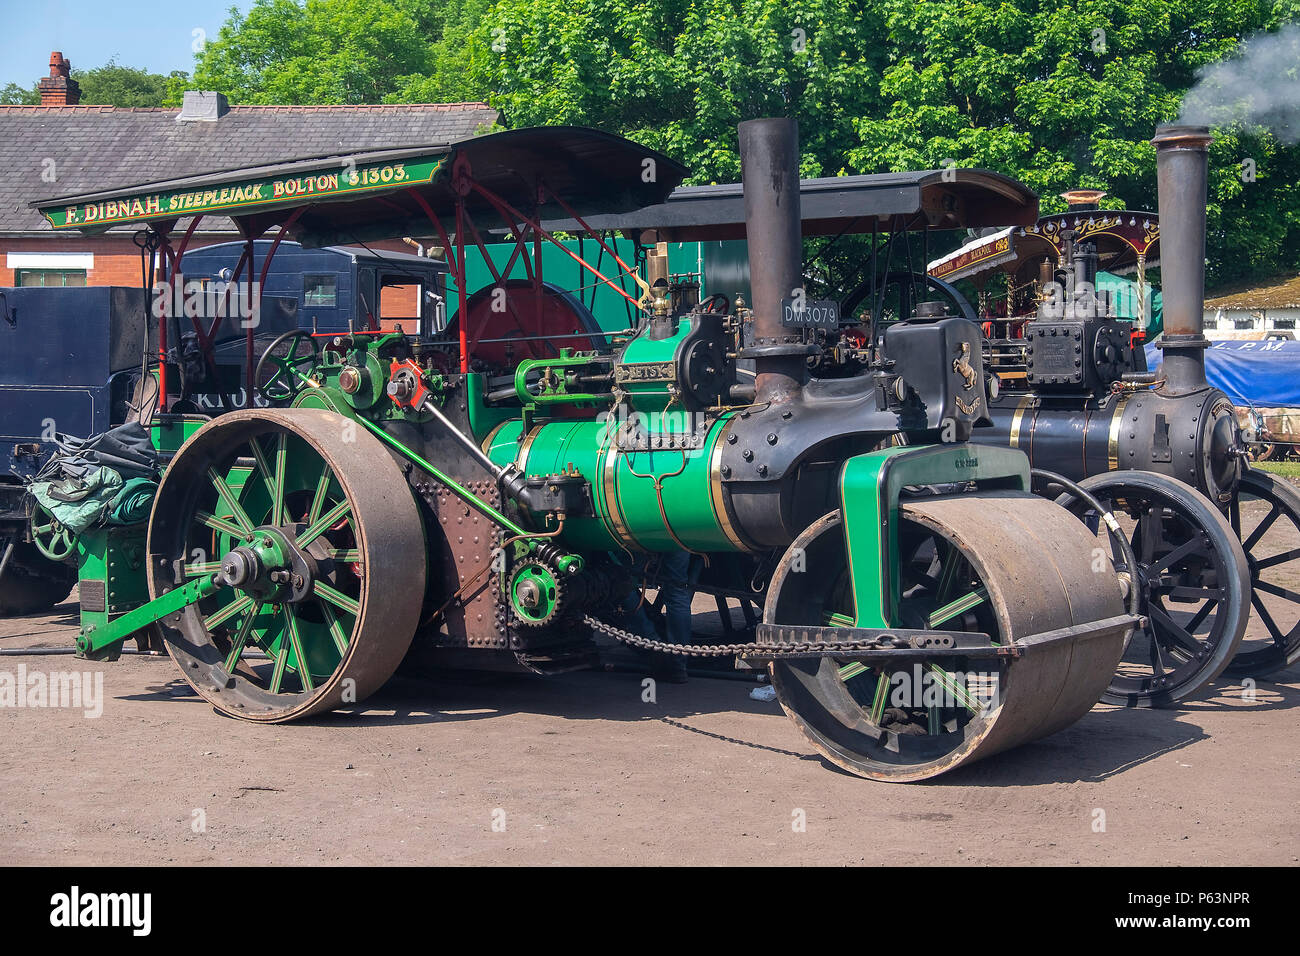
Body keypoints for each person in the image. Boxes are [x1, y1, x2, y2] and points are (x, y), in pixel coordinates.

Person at [618, 550, 696, 683]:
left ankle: (653, 643)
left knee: (623, 581)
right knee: (677, 591)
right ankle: (678, 665)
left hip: (641, 533)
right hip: (678, 534)